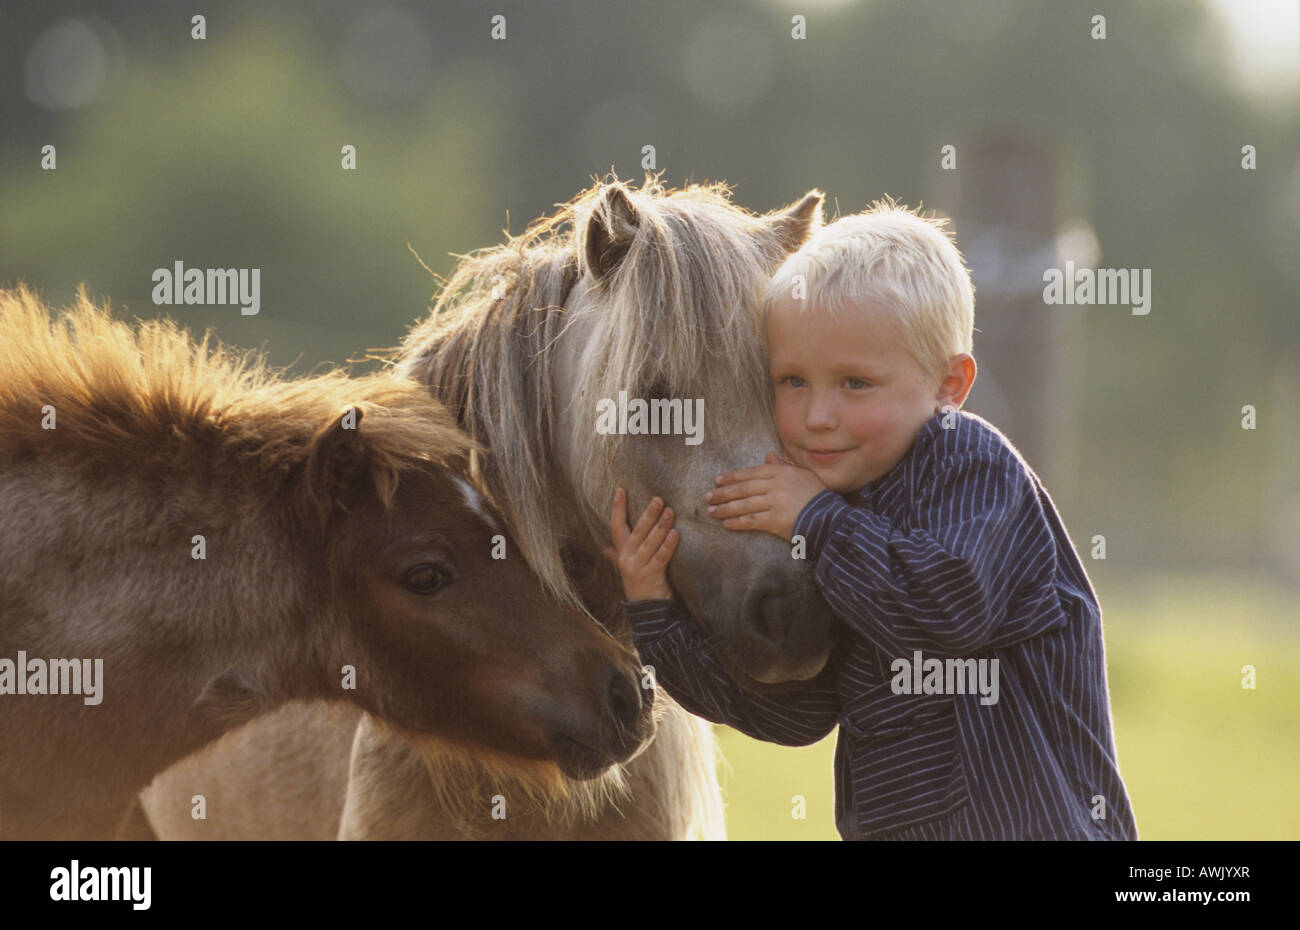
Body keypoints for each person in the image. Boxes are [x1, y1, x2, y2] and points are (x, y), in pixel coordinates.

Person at [603, 201, 1137, 840]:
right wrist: (659, 617)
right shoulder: (834, 517)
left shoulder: (968, 462)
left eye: (854, 383)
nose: (817, 415)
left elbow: (946, 609)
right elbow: (794, 712)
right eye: (792, 381)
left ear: (948, 386)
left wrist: (816, 521)